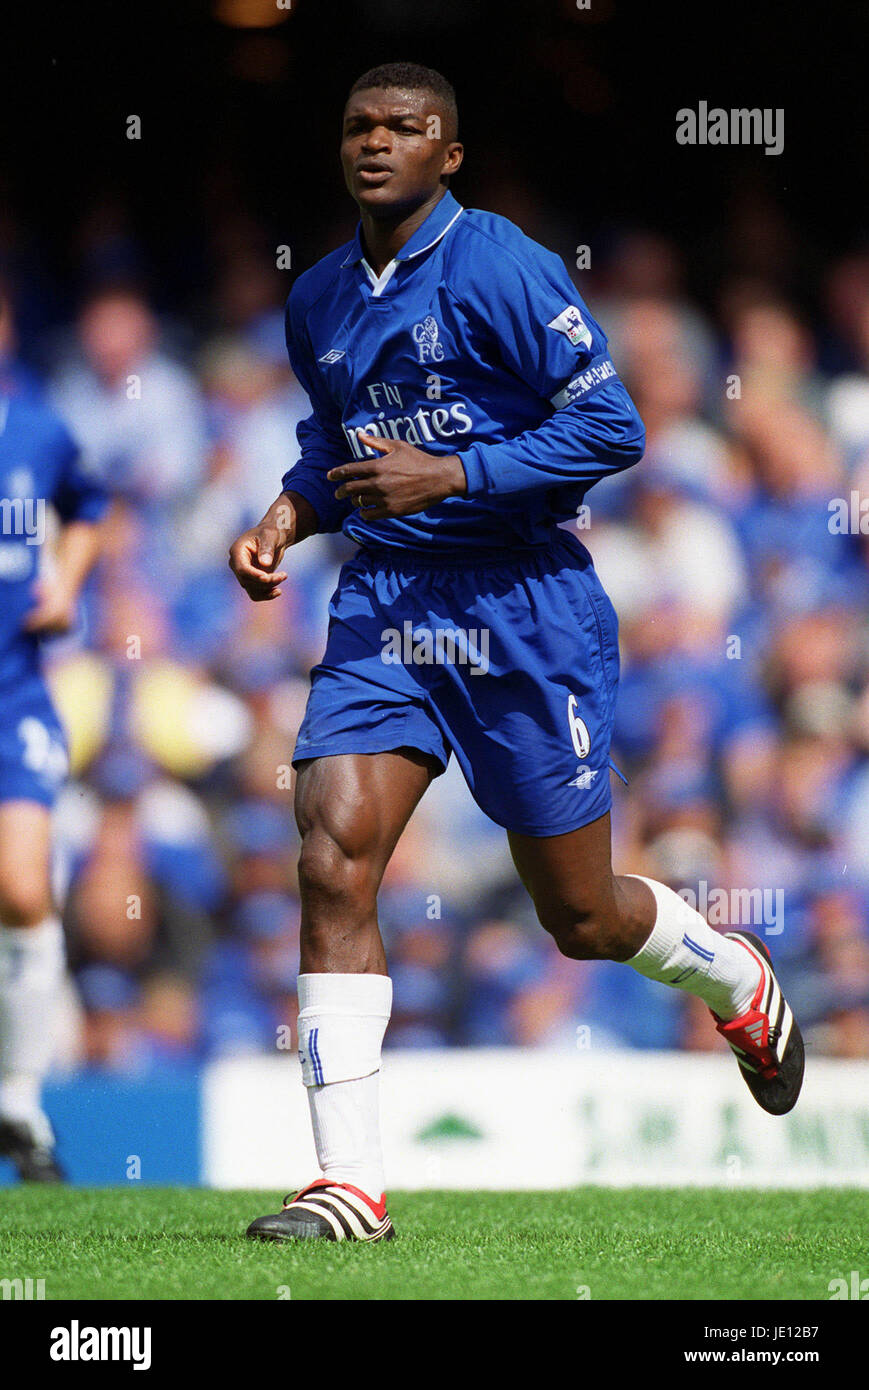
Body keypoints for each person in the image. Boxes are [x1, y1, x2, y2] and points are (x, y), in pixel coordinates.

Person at [230, 63, 803, 1243]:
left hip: (521, 607)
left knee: (579, 916)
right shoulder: (319, 298)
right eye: (356, 127)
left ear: (449, 153)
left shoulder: (502, 266)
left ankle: (730, 977)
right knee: (332, 856)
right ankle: (349, 1183)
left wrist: (453, 474)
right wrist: (288, 514)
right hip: (386, 603)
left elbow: (610, 425)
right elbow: (331, 448)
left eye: (404, 128)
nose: (374, 143)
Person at [0, 293, 109, 1180]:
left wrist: (67, 581)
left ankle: (21, 1104)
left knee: (21, 883)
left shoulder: (37, 430)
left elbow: (90, 505)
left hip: (14, 694)